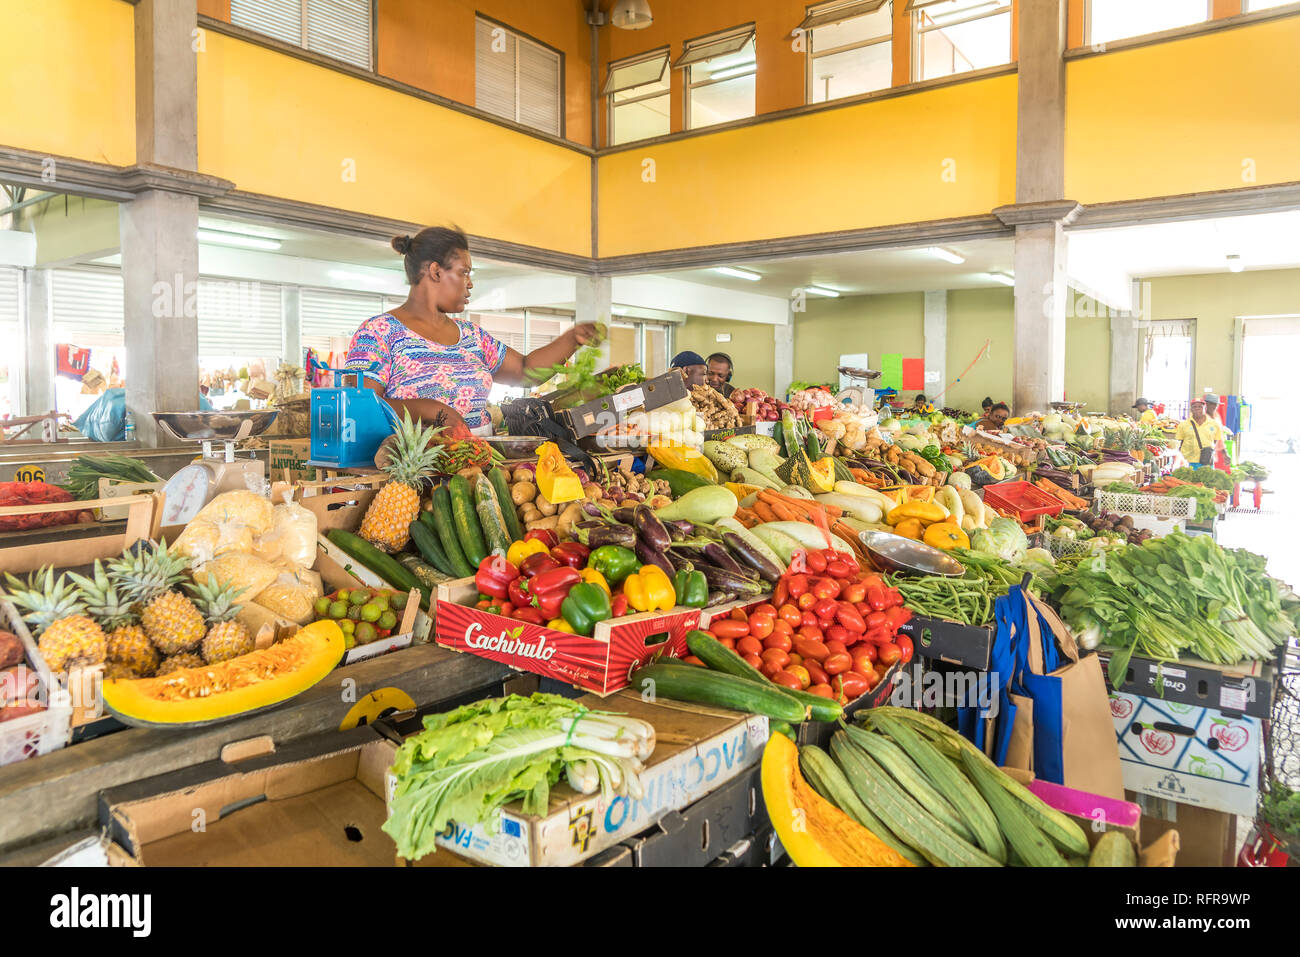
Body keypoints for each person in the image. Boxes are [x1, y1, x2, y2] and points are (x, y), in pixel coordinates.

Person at [345, 227, 600, 434]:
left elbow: (525, 371)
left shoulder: (471, 335)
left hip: (481, 468)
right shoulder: (378, 333)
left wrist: (572, 339)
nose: (470, 284)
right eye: (463, 272)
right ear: (435, 272)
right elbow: (357, 408)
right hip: (414, 483)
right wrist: (432, 411)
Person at [1174, 398, 1226, 467]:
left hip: (1206, 462)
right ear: (1191, 409)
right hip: (1188, 462)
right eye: (1194, 406)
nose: (1197, 408)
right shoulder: (1183, 425)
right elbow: (1180, 442)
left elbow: (1215, 441)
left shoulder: (1214, 424)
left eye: (1200, 406)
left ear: (1205, 408)